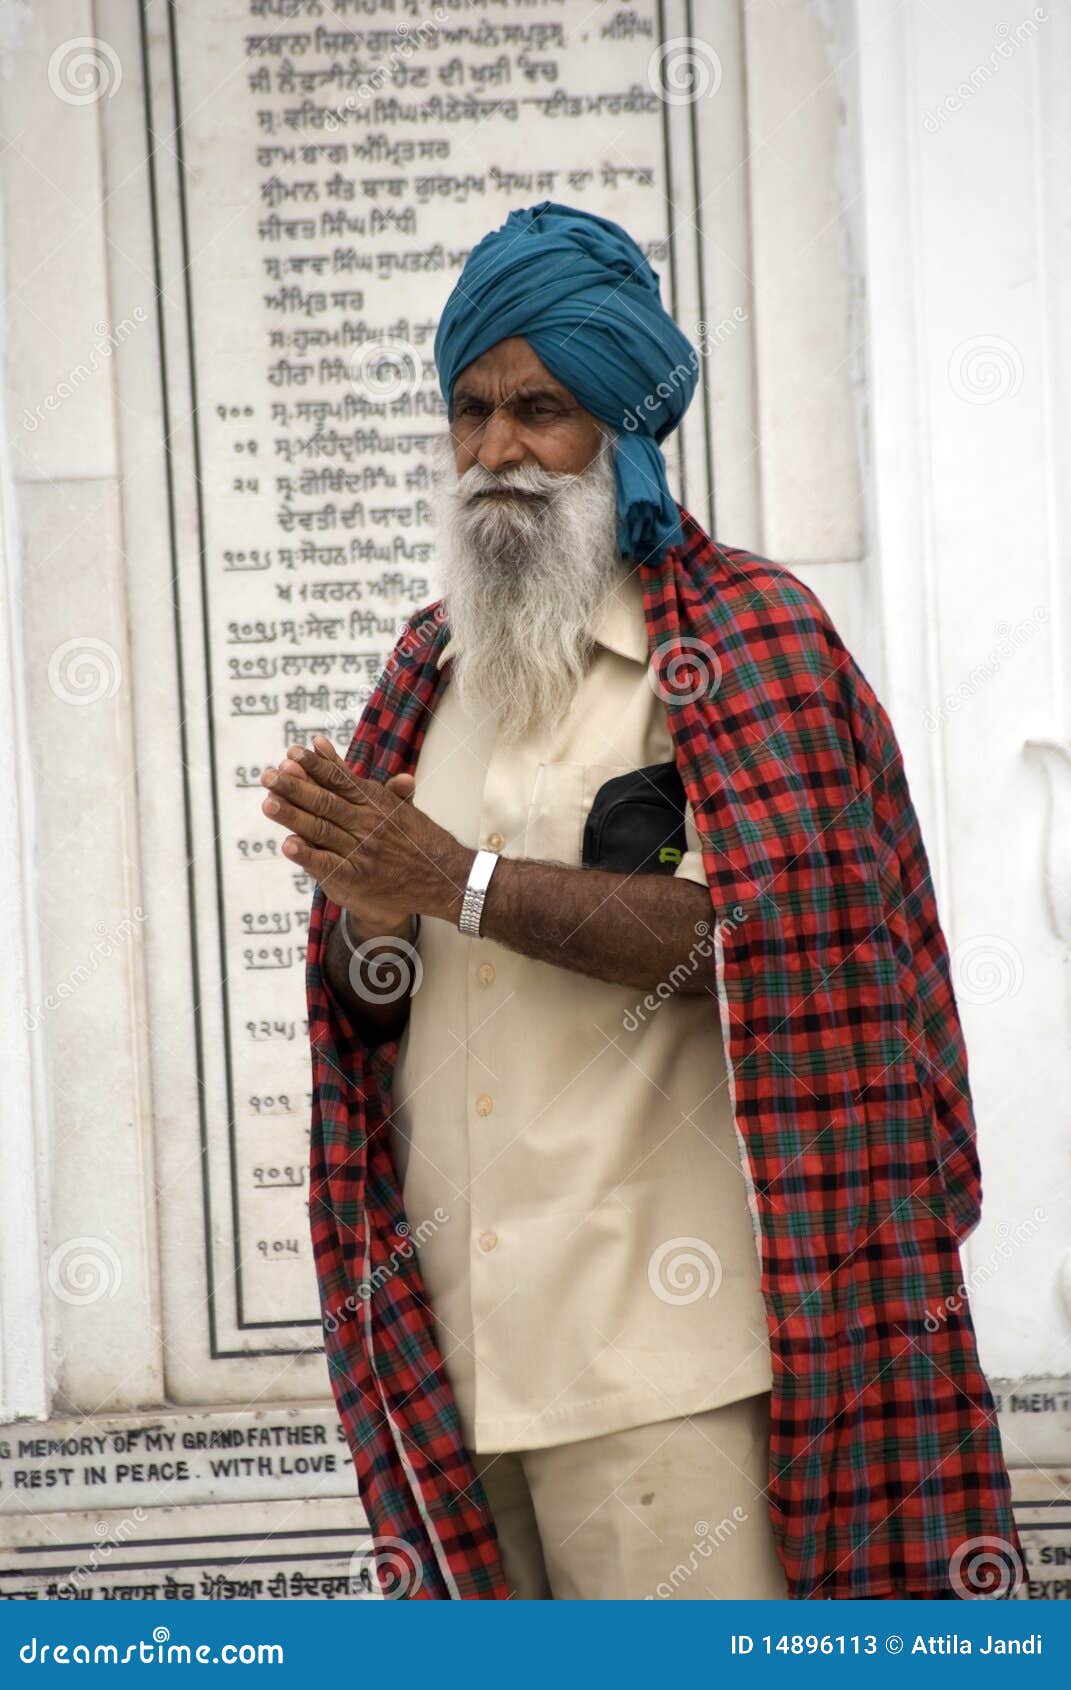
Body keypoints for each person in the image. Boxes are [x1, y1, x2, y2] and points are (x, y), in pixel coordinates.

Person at [261, 203, 1025, 1601]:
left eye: (541, 410)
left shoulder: (751, 643)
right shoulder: (426, 672)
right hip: (455, 1370)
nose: (497, 450)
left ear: (621, 426)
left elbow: (773, 943)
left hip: (671, 1377)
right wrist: (372, 912)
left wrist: (456, 879)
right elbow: (377, 1005)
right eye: (472, 410)